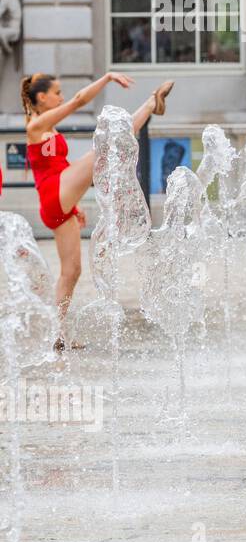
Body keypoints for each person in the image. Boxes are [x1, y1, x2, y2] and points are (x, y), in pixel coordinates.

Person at [21, 71, 173, 352]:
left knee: (71, 271)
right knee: (109, 143)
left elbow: (57, 164)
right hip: (54, 193)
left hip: (59, 200)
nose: (62, 97)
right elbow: (79, 100)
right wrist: (107, 78)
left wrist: (74, 204)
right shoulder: (37, 125)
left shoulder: (47, 128)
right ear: (41, 97)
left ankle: (58, 334)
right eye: (57, 93)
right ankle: (151, 103)